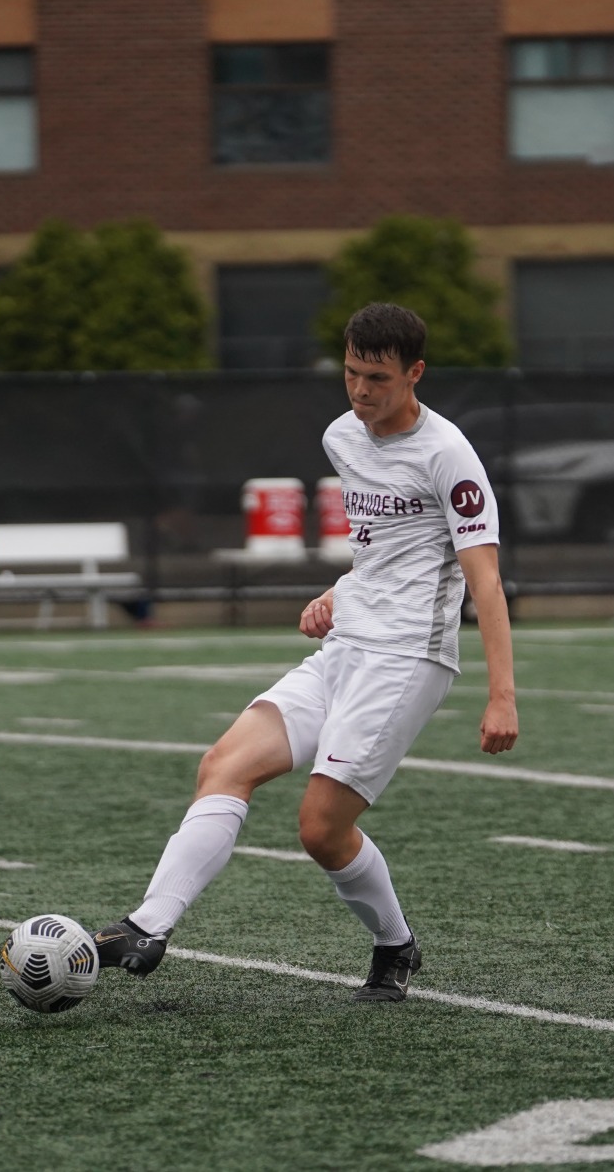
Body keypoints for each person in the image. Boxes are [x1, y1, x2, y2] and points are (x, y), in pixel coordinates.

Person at [92, 302, 518, 1003]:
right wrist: (340, 590)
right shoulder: (341, 437)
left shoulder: (449, 455)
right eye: (351, 373)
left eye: (377, 378)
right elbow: (383, 551)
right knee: (223, 763)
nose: (359, 391)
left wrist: (502, 695)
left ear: (414, 373)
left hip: (407, 659)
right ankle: (147, 924)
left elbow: (485, 580)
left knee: (321, 829)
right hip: (346, 645)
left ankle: (394, 944)